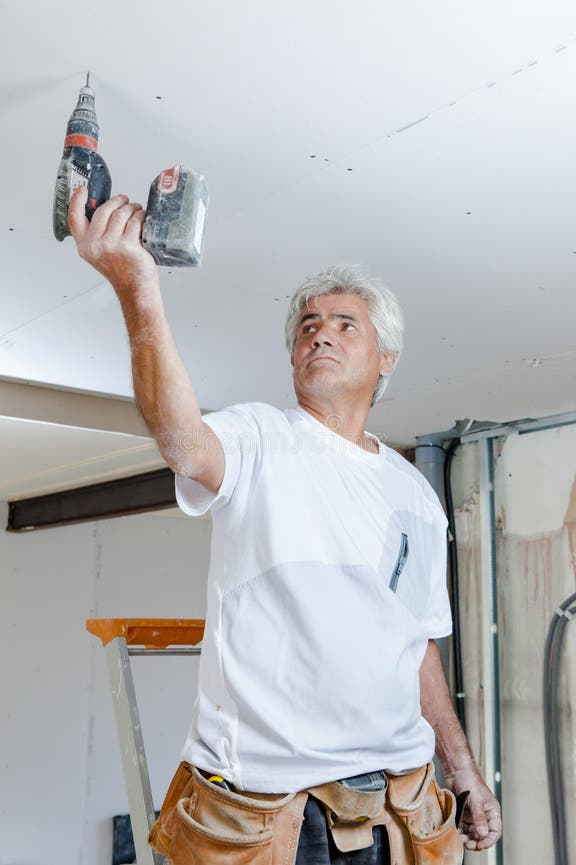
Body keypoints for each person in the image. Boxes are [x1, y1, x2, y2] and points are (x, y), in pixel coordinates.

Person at [68, 186, 502, 864]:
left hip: (398, 807)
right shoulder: (261, 437)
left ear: (385, 357)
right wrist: (138, 290)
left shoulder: (415, 494)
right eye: (307, 325)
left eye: (344, 323)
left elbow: (417, 645)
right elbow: (183, 441)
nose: (319, 330)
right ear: (294, 358)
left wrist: (465, 770)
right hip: (268, 814)